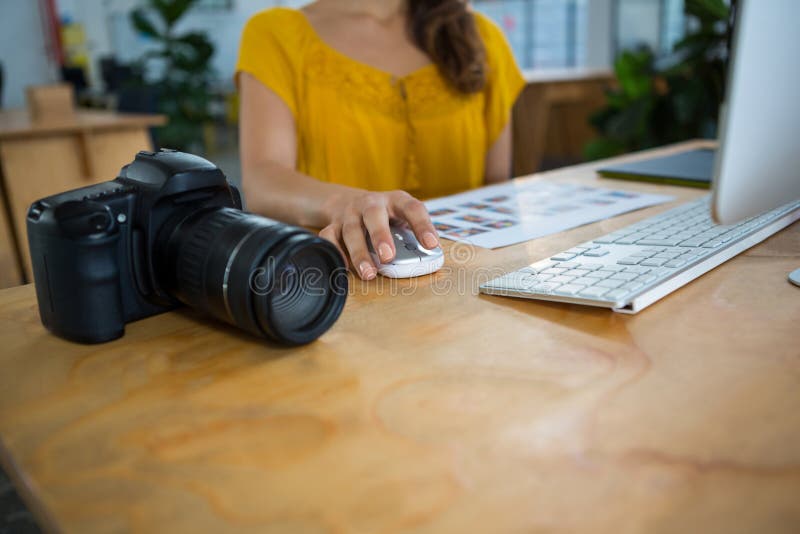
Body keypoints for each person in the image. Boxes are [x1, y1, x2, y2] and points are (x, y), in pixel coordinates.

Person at [236, 0, 524, 279]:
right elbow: (264, 179)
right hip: (345, 283)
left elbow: (497, 191)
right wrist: (346, 205)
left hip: (469, 285)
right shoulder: (274, 34)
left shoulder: (483, 38)